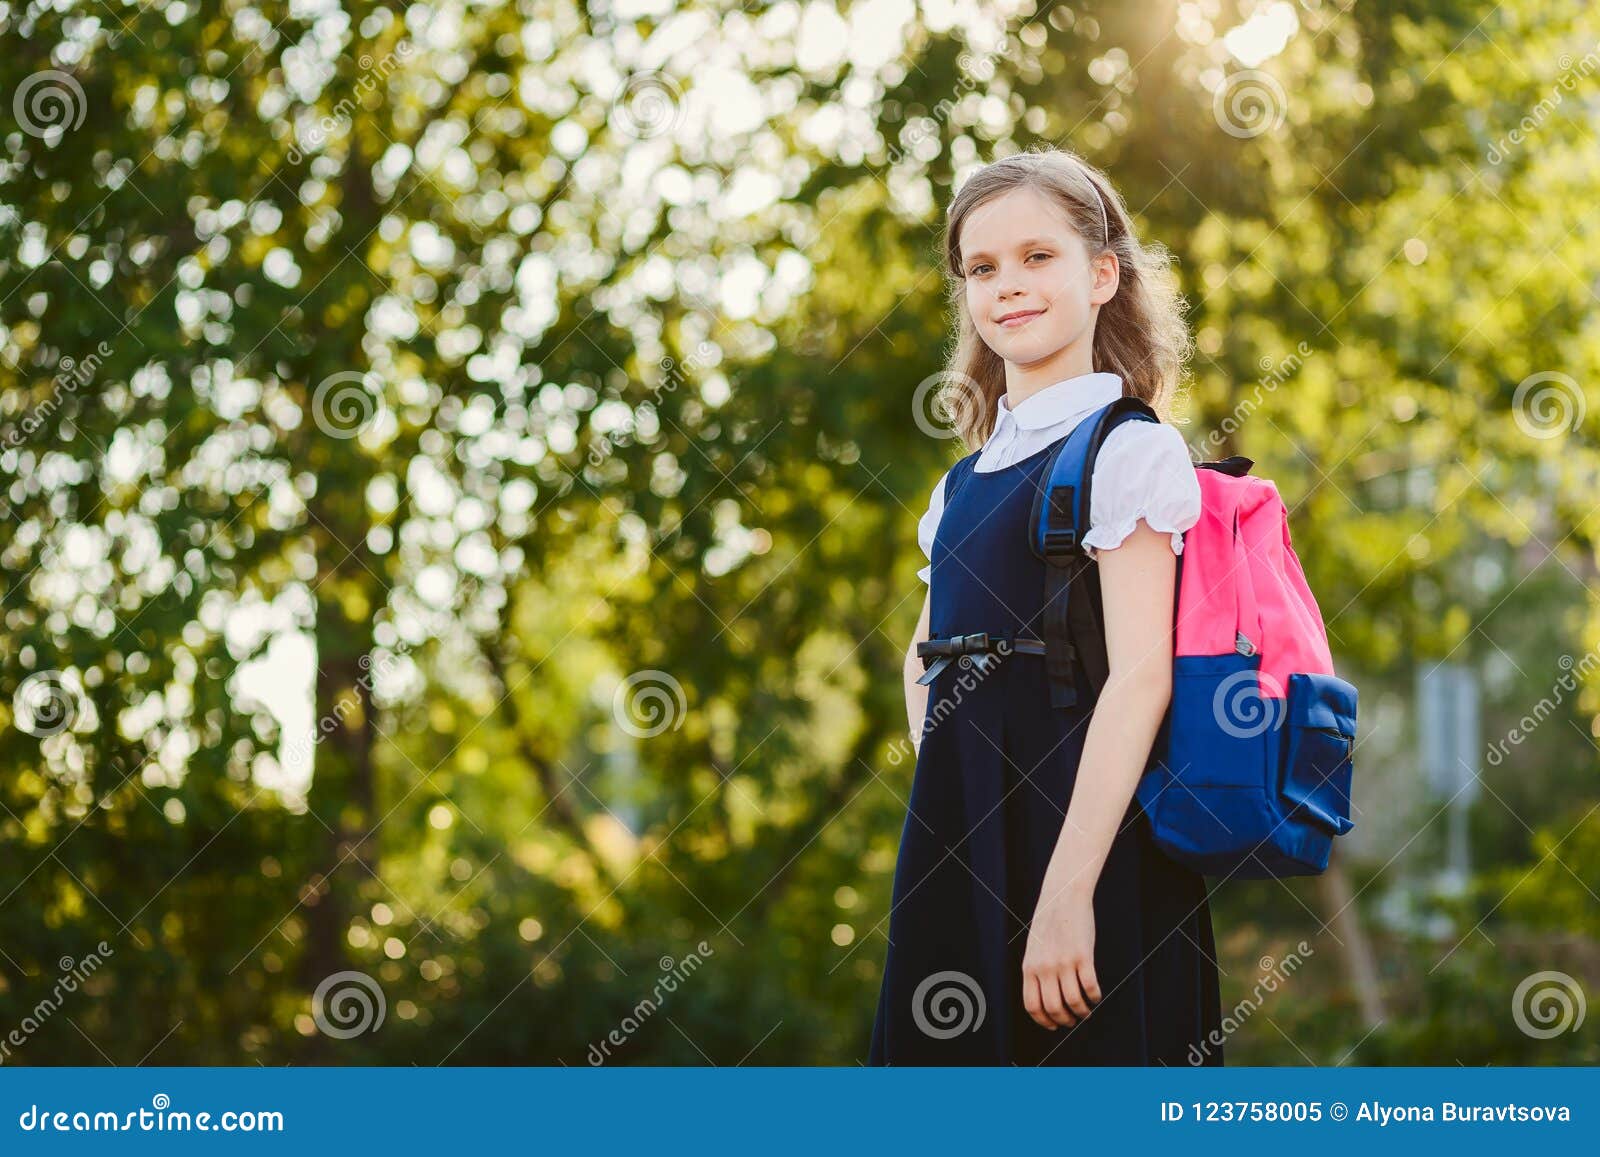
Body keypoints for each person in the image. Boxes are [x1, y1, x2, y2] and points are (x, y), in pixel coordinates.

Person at [868, 148, 1224, 1065]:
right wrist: (953, 795)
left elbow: (1140, 681)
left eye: (1037, 257)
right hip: (962, 842)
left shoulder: (1129, 450)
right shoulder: (958, 482)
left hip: (1091, 849)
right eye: (981, 269)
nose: (1007, 287)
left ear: (1102, 274)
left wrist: (1068, 893)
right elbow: (924, 657)